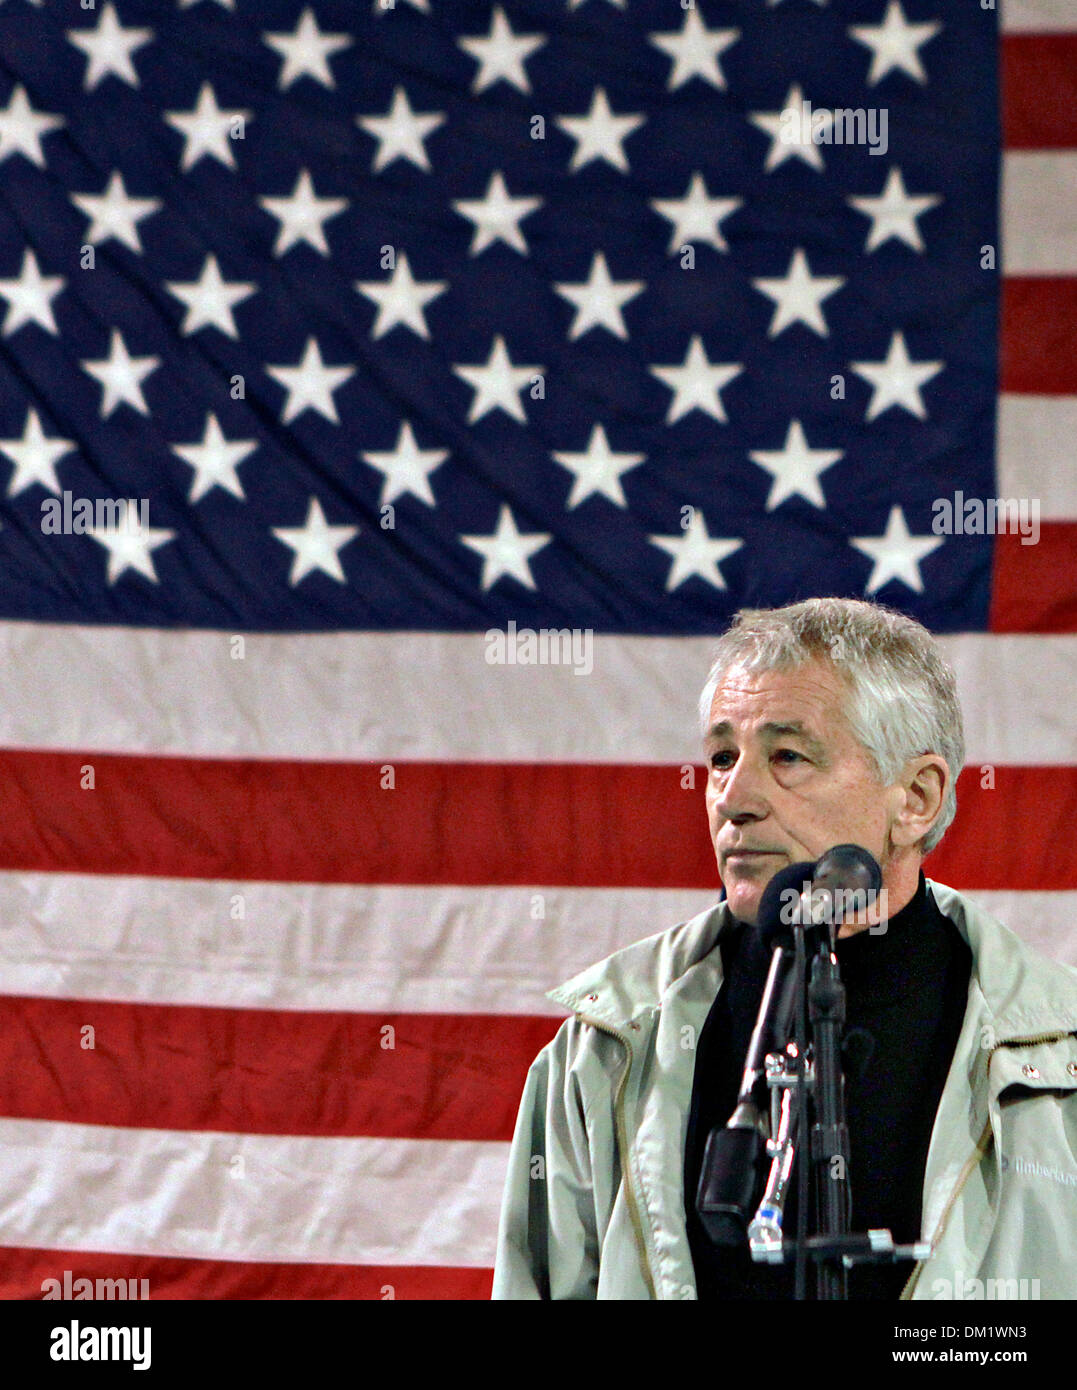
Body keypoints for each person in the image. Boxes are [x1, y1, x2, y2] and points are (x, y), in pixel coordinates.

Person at [491, 597, 1077, 1300]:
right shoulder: (604, 1047)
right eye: (720, 757)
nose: (732, 798)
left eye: (787, 756)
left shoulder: (1054, 1055)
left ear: (915, 798)